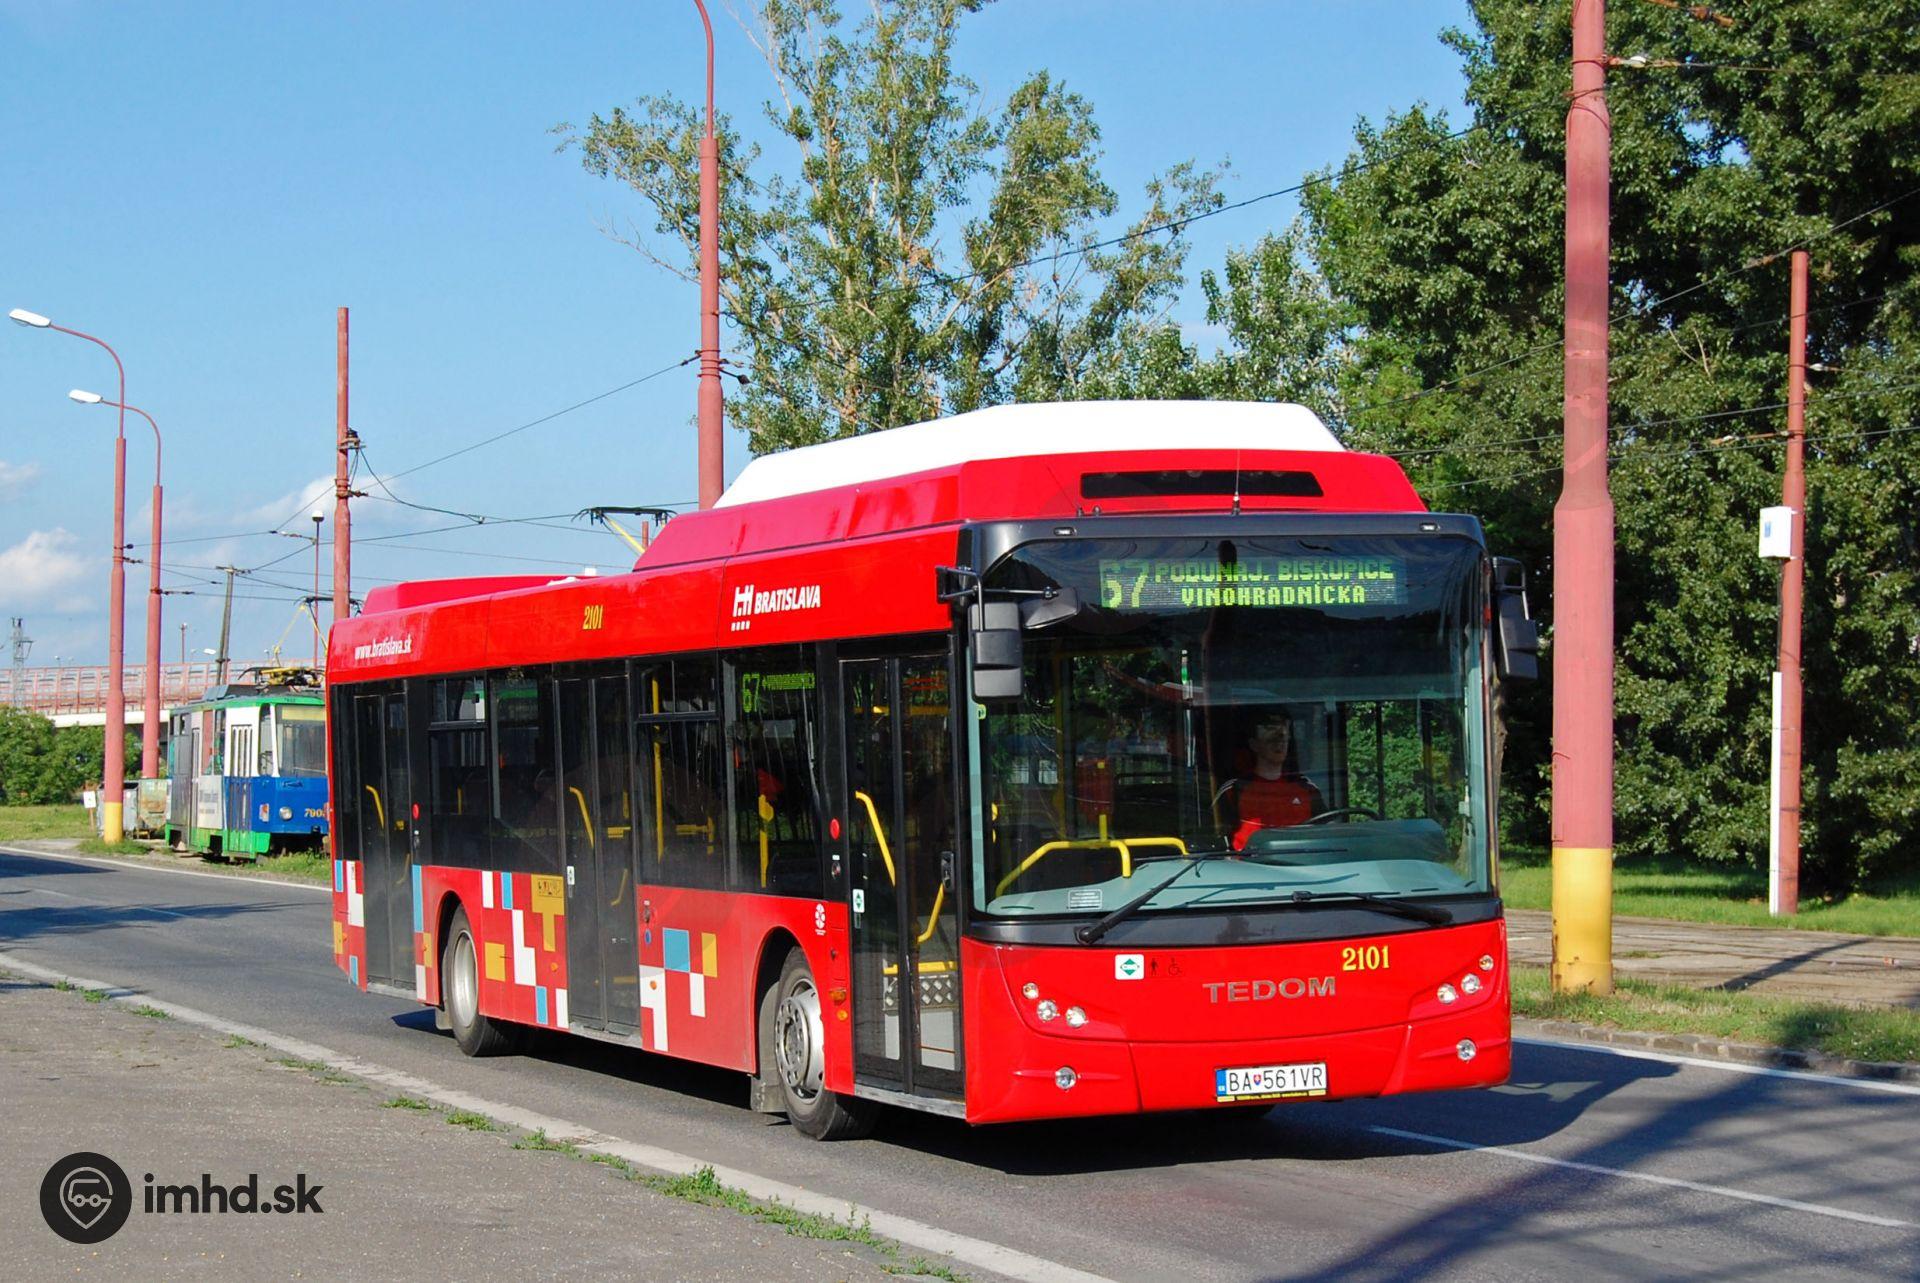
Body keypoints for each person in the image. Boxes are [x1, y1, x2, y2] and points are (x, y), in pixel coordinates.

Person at [1230, 710, 1325, 849]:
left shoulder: (1306, 788)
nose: (1279, 744)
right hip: (1249, 866)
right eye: (1271, 740)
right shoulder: (1236, 789)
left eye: (1283, 739)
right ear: (1254, 744)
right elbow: (1218, 838)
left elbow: (1328, 829)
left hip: (1303, 862)